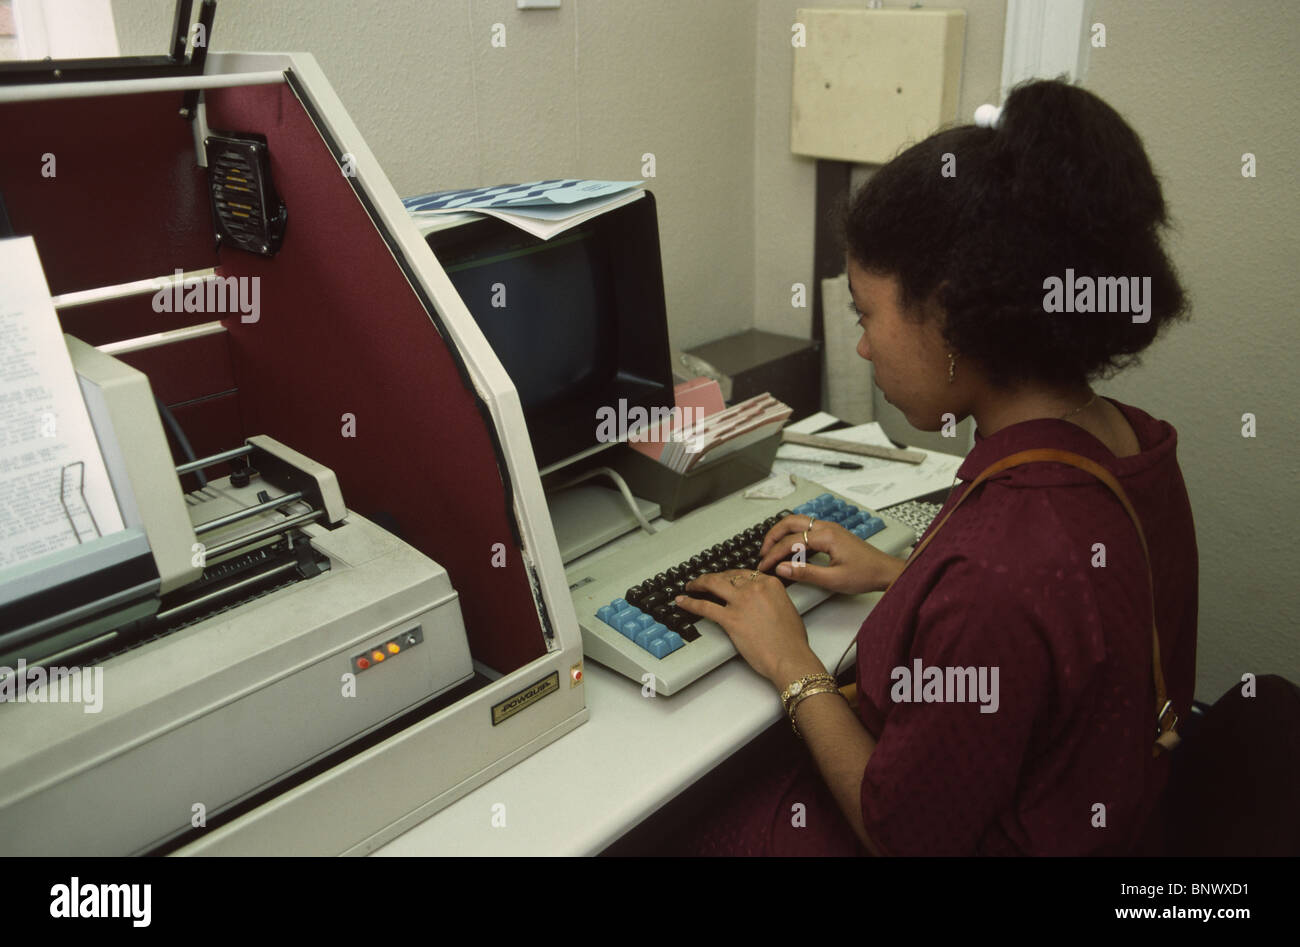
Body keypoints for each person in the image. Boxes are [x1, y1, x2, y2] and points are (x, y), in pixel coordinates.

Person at [673, 79, 1197, 856]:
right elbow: (1065, 633)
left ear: (949, 313)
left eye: (866, 313)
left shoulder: (1001, 568)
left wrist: (791, 662)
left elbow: (898, 833)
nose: (861, 345)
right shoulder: (1130, 443)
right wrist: (901, 575)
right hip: (1104, 807)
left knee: (683, 820)